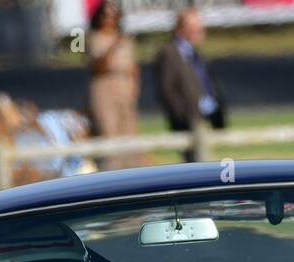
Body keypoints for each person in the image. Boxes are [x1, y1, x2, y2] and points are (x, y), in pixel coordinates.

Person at [154, 7, 225, 161]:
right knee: (200, 167)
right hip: (189, 119)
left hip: (205, 116)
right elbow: (167, 89)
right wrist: (183, 116)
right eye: (196, 29)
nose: (201, 32)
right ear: (182, 30)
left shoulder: (195, 53)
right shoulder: (169, 52)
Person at [86, 0, 141, 170]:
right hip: (104, 90)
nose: (109, 19)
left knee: (129, 137)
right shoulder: (91, 38)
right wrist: (113, 46)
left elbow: (133, 67)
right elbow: (97, 66)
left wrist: (134, 88)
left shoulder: (125, 39)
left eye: (113, 15)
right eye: (106, 14)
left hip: (124, 91)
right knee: (109, 136)